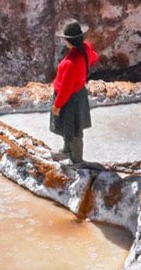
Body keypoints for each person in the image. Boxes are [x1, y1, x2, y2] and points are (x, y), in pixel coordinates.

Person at [50, 21, 99, 164]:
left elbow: (66, 88)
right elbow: (94, 57)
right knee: (70, 125)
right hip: (79, 94)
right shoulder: (86, 49)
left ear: (69, 41)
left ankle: (77, 160)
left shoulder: (71, 63)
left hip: (69, 99)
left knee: (74, 128)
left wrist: (57, 105)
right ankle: (67, 150)